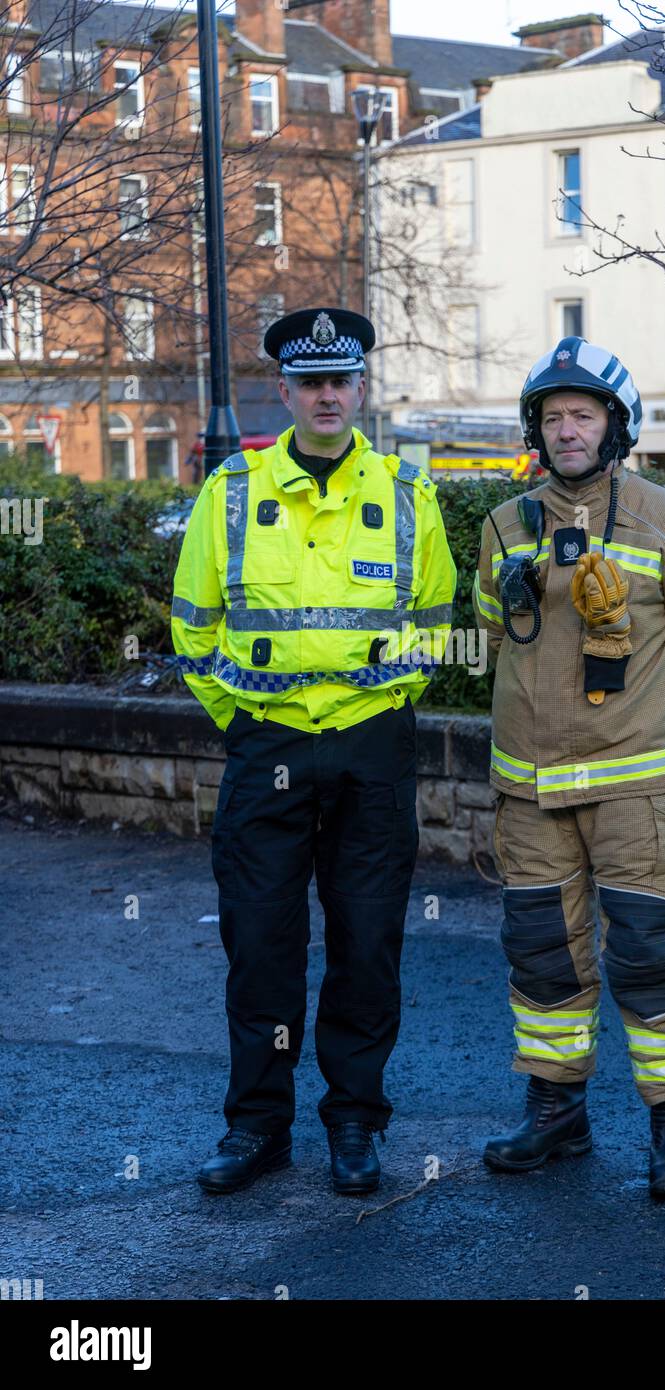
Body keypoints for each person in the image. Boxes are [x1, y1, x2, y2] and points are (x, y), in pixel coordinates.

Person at [171, 307, 457, 1196]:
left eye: (341, 380)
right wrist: (245, 719)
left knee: (367, 946)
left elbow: (435, 622)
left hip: (371, 748)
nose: (327, 395)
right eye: (310, 383)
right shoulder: (231, 494)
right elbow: (192, 623)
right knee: (261, 945)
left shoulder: (409, 492)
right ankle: (257, 1128)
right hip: (268, 748)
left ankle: (354, 1124)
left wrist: (379, 706)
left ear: (361, 388)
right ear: (287, 392)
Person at [472, 335, 665, 1198]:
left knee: (647, 953)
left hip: (638, 788)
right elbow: (493, 636)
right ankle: (557, 1114)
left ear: (614, 425)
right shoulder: (502, 527)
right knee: (543, 957)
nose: (565, 431)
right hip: (531, 787)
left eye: (581, 415)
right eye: (551, 417)